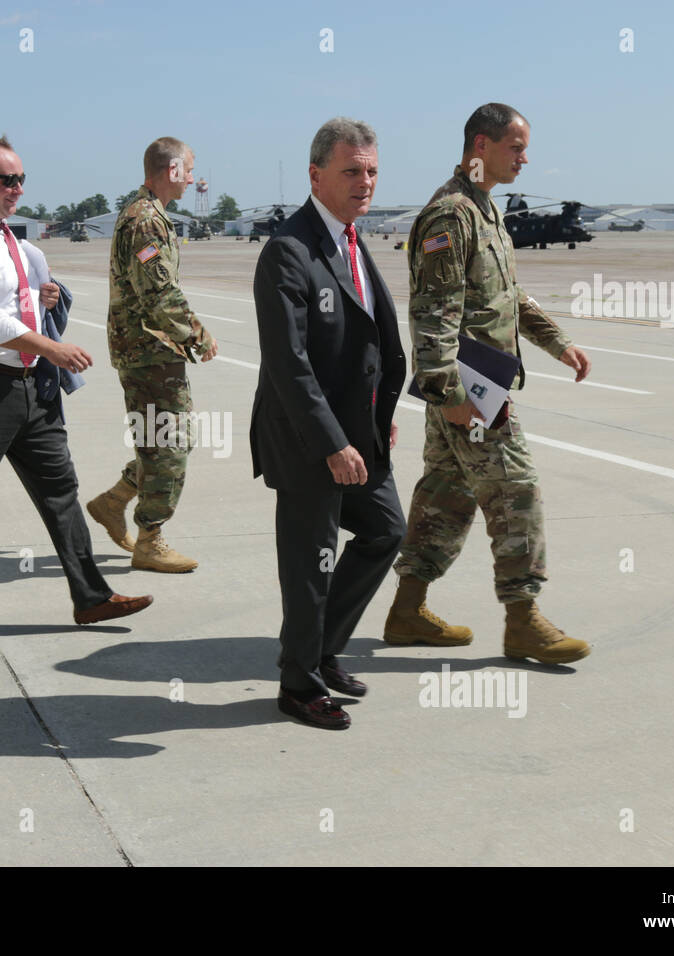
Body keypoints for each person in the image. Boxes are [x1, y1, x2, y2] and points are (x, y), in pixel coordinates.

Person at [0, 136, 153, 637]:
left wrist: (42, 298)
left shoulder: (11, 240)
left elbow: (13, 304)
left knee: (61, 490)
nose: (17, 189)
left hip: (27, 386)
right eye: (7, 180)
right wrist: (52, 347)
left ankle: (92, 597)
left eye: (21, 179)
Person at [384, 102, 592, 665]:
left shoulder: (484, 210)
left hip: (475, 383)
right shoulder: (452, 215)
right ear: (481, 145)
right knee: (516, 489)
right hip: (471, 389)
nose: (525, 158)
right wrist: (450, 397)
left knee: (446, 498)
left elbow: (507, 295)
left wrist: (556, 342)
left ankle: (406, 611)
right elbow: (432, 315)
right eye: (516, 147)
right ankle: (523, 619)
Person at [251, 118, 407, 730]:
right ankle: (299, 684)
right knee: (311, 561)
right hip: (308, 441)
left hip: (357, 434)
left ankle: (320, 649)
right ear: (316, 175)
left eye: (371, 170)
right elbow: (288, 364)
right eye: (351, 171)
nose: (364, 182)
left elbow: (363, 340)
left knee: (385, 532)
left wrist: (375, 418)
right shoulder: (289, 250)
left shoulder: (351, 239)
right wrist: (333, 442)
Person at [86, 137, 217, 573]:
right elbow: (159, 291)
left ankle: (114, 501)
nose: (194, 177)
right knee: (169, 445)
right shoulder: (145, 220)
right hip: (148, 351)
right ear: (173, 169)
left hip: (149, 349)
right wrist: (198, 335)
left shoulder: (149, 214)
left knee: (160, 442)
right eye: (190, 168)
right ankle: (150, 539)